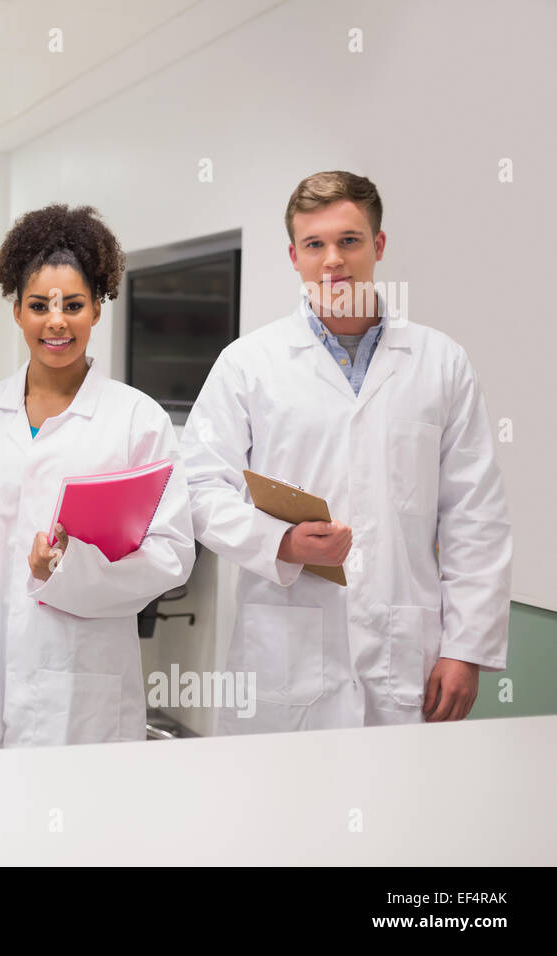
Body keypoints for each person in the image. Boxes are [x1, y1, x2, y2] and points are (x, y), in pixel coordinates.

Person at [180, 170, 512, 734]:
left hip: (408, 655)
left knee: (403, 813)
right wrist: (279, 541)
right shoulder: (248, 364)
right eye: (315, 244)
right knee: (285, 813)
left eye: (349, 240)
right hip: (285, 650)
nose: (332, 259)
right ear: (294, 256)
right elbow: (197, 486)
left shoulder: (440, 363)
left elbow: (474, 514)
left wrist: (466, 648)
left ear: (378, 245)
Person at [0, 204, 195, 747]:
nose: (57, 321)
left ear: (97, 309)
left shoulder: (138, 420)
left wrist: (70, 569)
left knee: (92, 822)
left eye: (74, 305)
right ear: (17, 311)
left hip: (84, 675)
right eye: (40, 305)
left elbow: (172, 555)